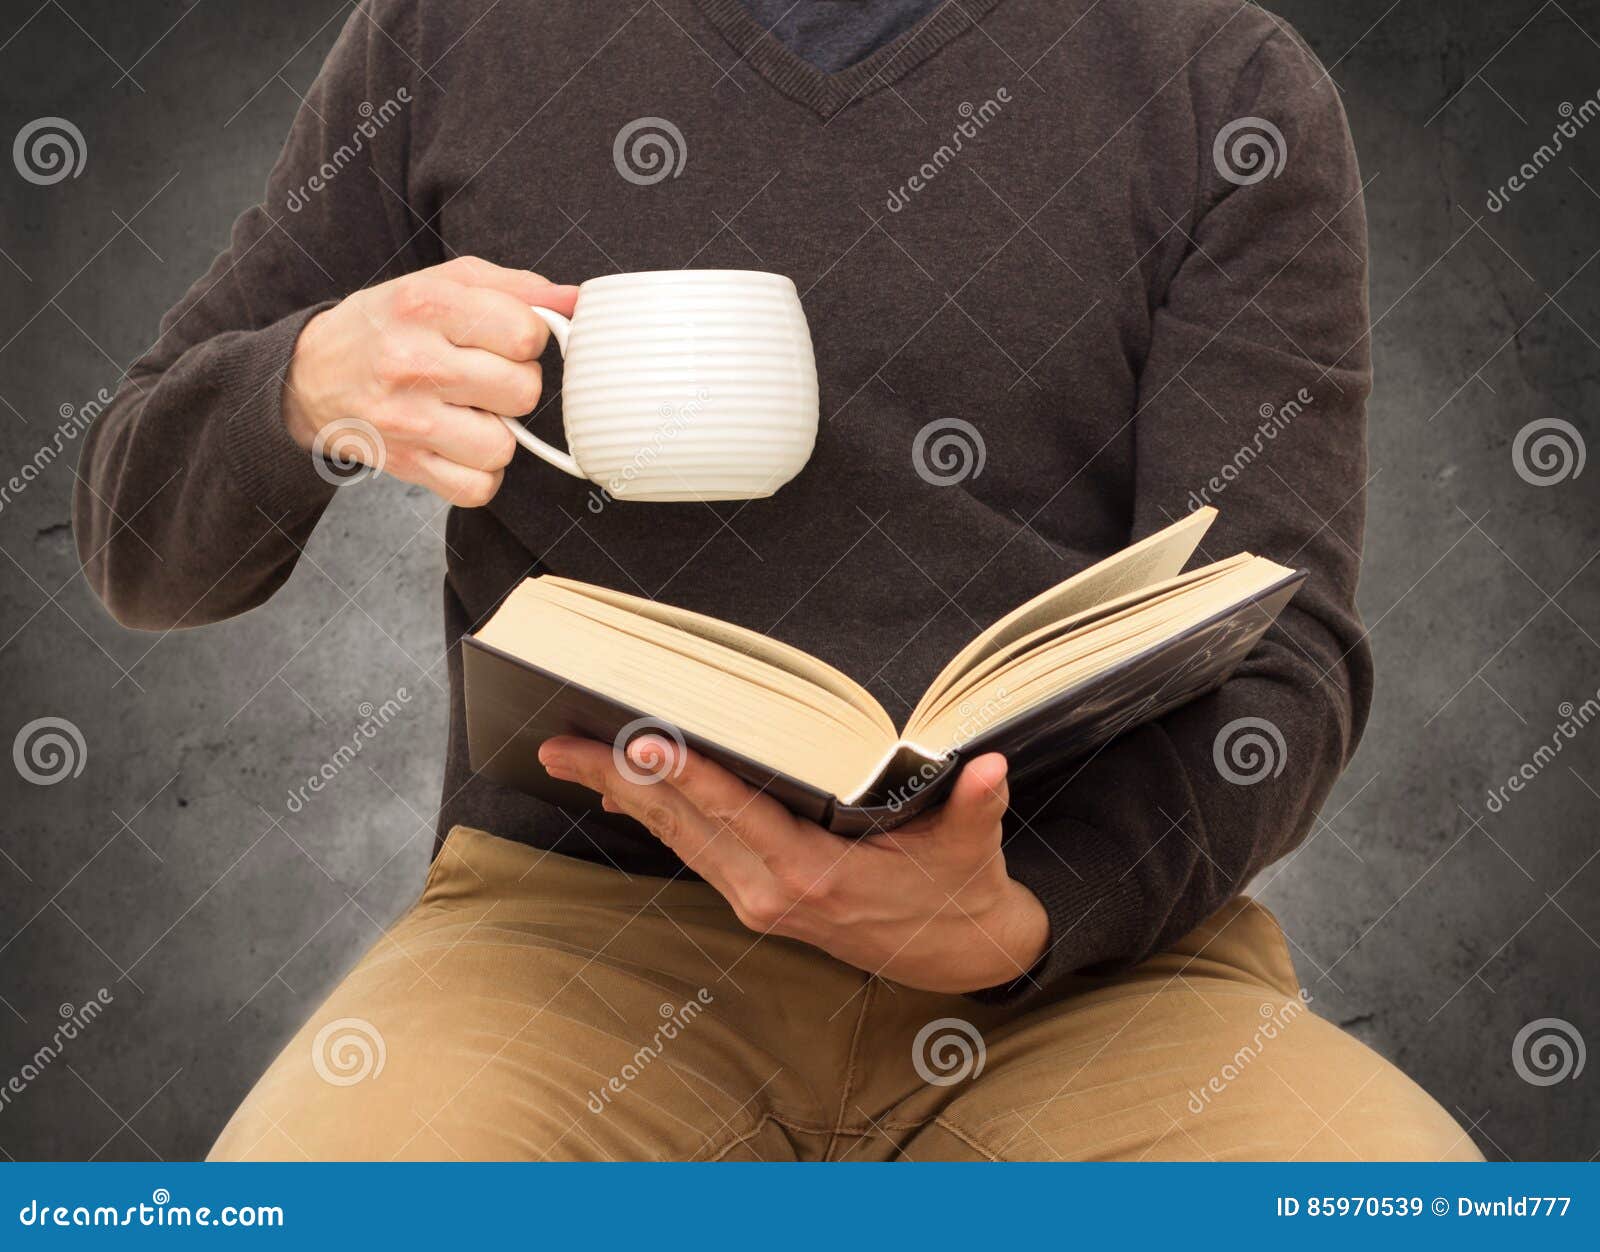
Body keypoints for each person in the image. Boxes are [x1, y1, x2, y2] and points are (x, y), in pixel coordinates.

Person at [75, 0, 1479, 1160]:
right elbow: (137, 543)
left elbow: (1284, 658)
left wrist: (1027, 909)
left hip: (1097, 968)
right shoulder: (450, 36)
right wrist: (299, 385)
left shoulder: (1220, 83)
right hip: (575, 941)